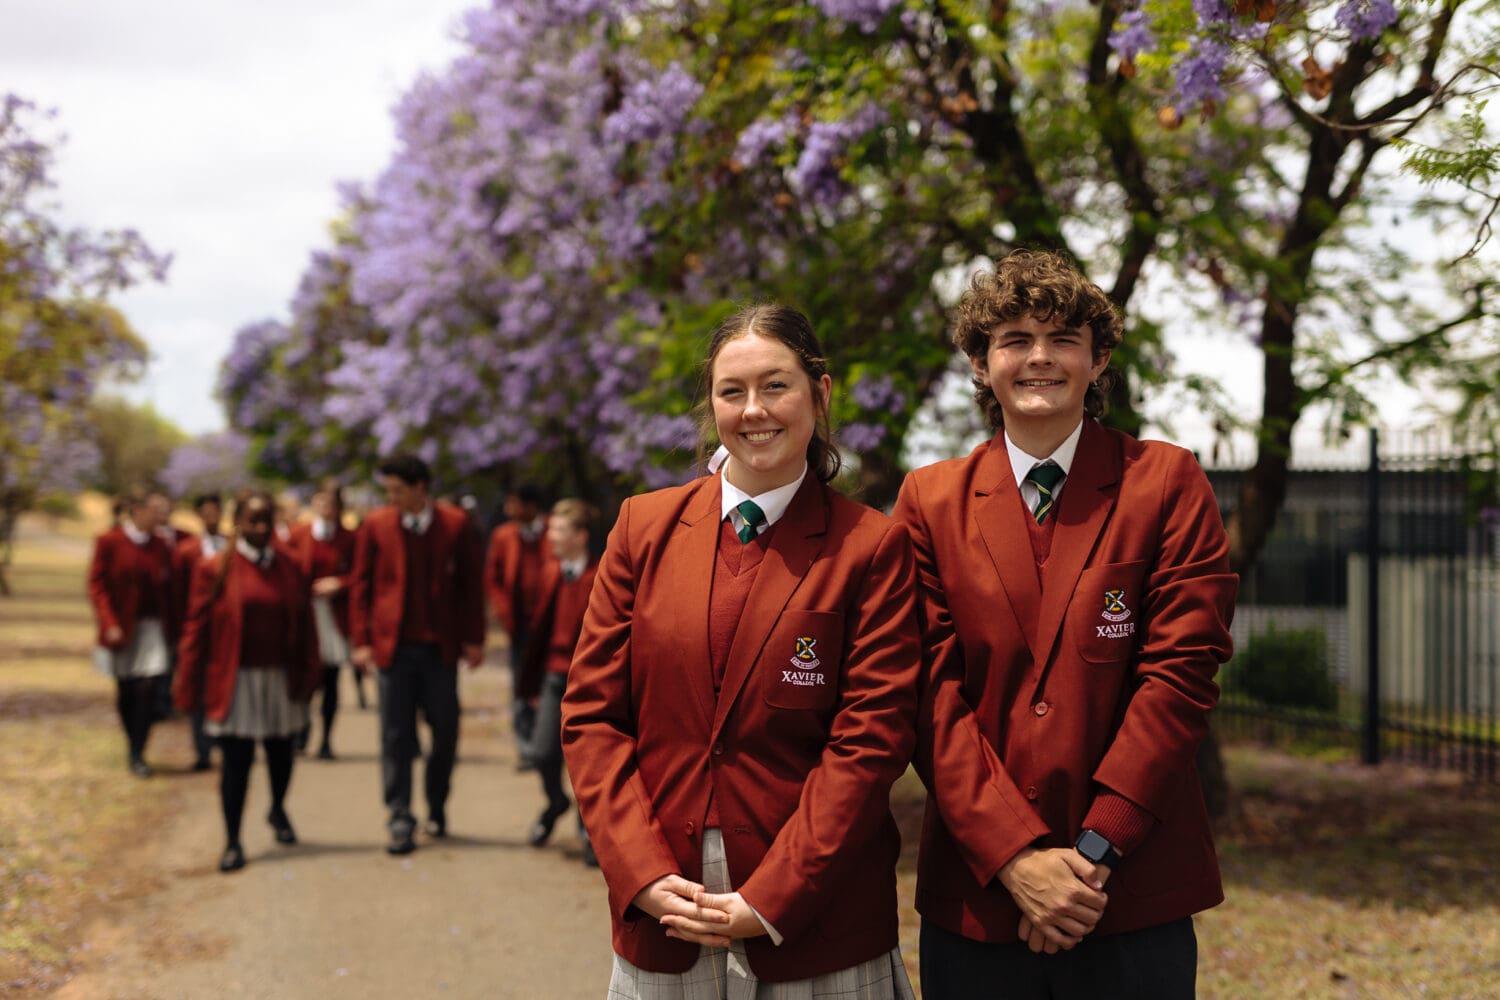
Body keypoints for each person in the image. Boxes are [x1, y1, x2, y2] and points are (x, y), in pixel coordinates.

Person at [891, 250, 1238, 999]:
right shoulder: (929, 500)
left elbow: (1180, 679)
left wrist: (1092, 853)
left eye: (1063, 339)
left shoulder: (1168, 483)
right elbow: (928, 697)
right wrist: (1016, 858)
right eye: (1014, 339)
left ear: (1099, 358)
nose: (1039, 357)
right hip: (982, 894)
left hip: (1130, 887)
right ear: (982, 365)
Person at [562, 304, 922, 997]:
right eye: (732, 391)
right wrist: (643, 875)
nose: (754, 410)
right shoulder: (643, 527)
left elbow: (869, 741)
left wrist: (772, 899)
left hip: (816, 916)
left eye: (776, 386)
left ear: (821, 393)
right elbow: (591, 717)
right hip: (667, 913)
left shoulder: (871, 546)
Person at [174, 490, 321, 872]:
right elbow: (196, 625)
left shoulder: (289, 565)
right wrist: (187, 681)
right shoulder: (214, 567)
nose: (259, 528)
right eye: (251, 520)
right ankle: (233, 840)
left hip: (279, 678)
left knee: (281, 754)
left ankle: (277, 808)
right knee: (236, 762)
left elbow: (306, 623)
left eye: (265, 520)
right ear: (236, 523)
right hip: (235, 680)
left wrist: (311, 669)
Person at [350, 454, 486, 855]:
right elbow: (361, 585)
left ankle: (437, 803)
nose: (390, 498)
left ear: (419, 487)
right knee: (395, 735)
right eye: (387, 491)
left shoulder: (455, 524)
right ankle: (400, 817)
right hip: (394, 648)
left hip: (439, 649)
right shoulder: (376, 525)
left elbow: (469, 586)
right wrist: (361, 640)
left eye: (397, 490)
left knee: (445, 731)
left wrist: (474, 638)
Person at [517, 498, 599, 864]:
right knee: (543, 753)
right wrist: (530, 684)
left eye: (558, 531)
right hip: (553, 676)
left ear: (580, 536)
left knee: (588, 763)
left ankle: (589, 833)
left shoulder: (599, 576)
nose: (550, 537)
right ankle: (555, 803)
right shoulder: (551, 572)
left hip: (589, 682)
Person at [88, 488, 175, 776]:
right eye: (154, 510)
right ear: (137, 510)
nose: (159, 516)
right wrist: (109, 622)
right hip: (122, 627)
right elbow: (97, 585)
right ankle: (132, 744)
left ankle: (138, 751)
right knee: (127, 690)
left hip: (152, 628)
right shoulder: (109, 542)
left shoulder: (161, 545)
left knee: (148, 688)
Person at [286, 479, 358, 758]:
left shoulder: (349, 539)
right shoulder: (298, 534)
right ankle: (301, 732)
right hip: (307, 614)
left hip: (333, 616)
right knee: (305, 676)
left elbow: (361, 574)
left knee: (331, 679)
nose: (325, 509)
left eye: (331, 504)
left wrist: (339, 583)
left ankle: (326, 739)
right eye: (321, 503)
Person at [483, 483, 547, 765]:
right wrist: (502, 608)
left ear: (530, 505)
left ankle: (546, 744)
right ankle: (526, 747)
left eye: (514, 504)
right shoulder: (503, 536)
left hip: (549, 626)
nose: (509, 511)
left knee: (552, 685)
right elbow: (492, 576)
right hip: (519, 625)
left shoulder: (552, 532)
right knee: (521, 684)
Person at [170, 492, 228, 771]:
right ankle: (202, 748)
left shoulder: (232, 547)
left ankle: (222, 739)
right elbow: (178, 594)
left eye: (216, 511)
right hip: (198, 629)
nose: (213, 517)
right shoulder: (187, 551)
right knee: (197, 687)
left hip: (226, 633)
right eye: (207, 512)